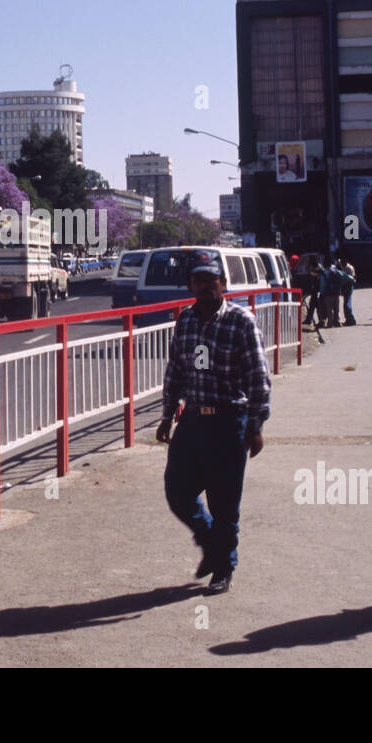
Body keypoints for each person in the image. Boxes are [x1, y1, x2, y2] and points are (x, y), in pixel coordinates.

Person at [156, 255, 271, 596]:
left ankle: (223, 566)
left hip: (228, 422)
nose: (205, 286)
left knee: (224, 502)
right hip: (192, 419)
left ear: (223, 284)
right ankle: (210, 541)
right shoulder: (186, 320)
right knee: (177, 491)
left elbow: (257, 376)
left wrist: (255, 424)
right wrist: (167, 414)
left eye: (212, 280)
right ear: (190, 285)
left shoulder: (241, 321)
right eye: (198, 280)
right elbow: (176, 369)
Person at [336, 255, 357, 325]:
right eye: (341, 261)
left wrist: (346, 288)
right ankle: (349, 319)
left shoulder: (349, 268)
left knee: (347, 304)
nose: (342, 262)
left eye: (343, 261)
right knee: (346, 303)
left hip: (349, 286)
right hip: (343, 286)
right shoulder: (340, 265)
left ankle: (351, 319)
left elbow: (352, 279)